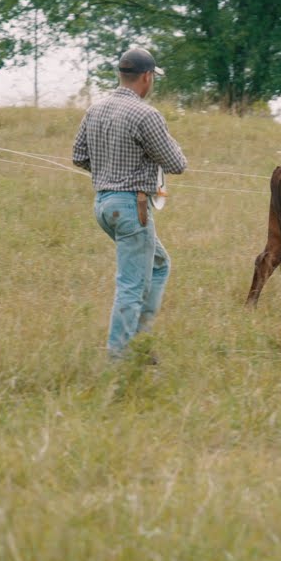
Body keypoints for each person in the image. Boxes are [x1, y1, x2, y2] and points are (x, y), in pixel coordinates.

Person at [72, 47, 187, 360]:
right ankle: (120, 357)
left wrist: (109, 171)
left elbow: (78, 157)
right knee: (132, 285)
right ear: (147, 77)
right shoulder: (146, 115)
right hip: (132, 209)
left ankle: (139, 342)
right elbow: (177, 163)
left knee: (159, 264)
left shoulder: (96, 108)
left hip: (103, 206)